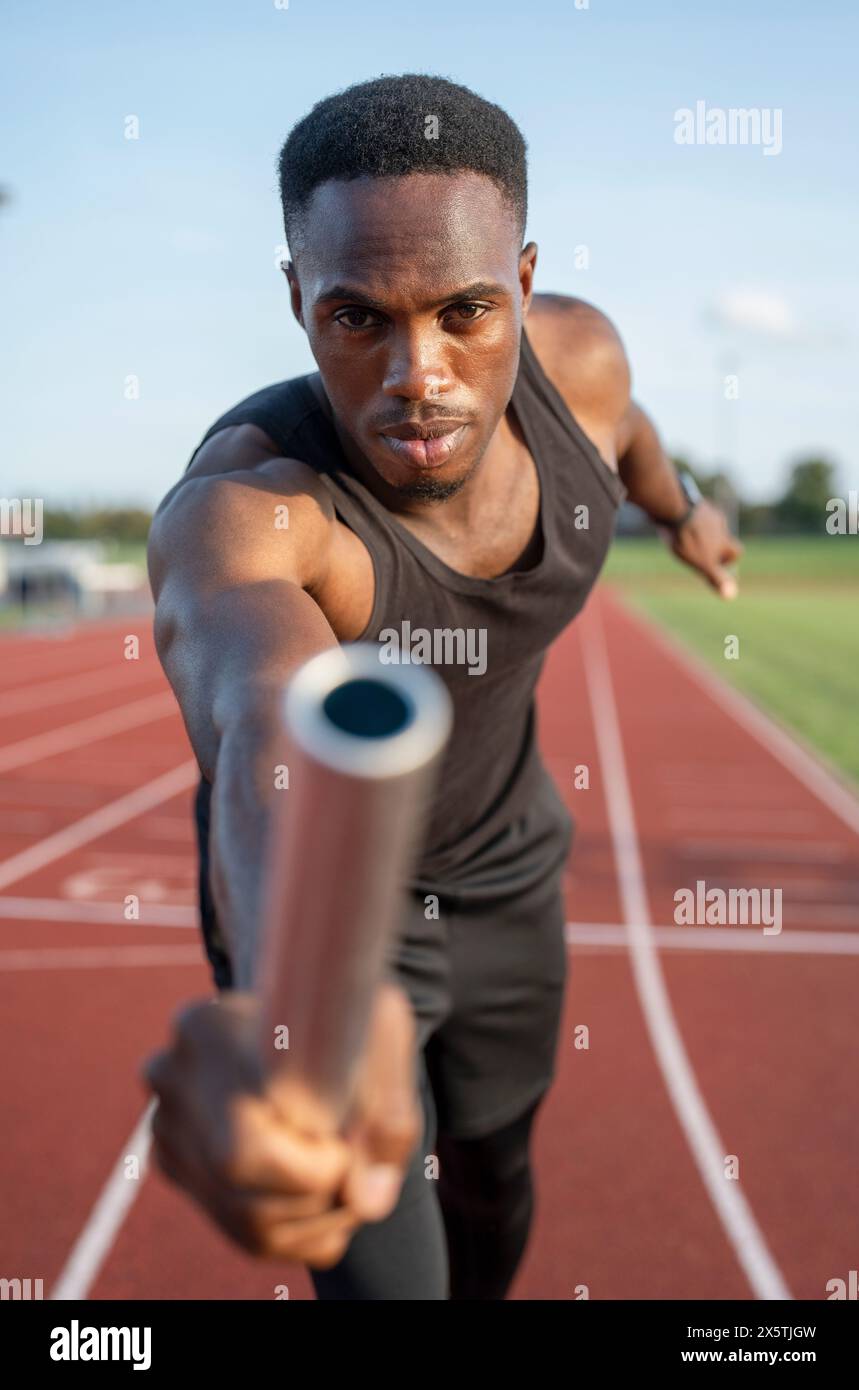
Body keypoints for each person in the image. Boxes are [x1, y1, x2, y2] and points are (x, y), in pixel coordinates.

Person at [145, 73, 741, 1300]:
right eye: (356, 318)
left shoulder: (579, 362)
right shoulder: (254, 507)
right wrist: (307, 996)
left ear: (521, 285)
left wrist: (685, 516)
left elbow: (629, 440)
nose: (418, 374)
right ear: (296, 300)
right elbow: (267, 723)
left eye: (465, 310)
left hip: (509, 864)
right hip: (329, 906)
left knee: (495, 1178)